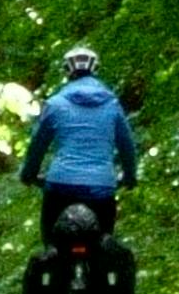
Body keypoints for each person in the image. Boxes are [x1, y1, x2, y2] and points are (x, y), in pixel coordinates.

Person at [17, 46, 138, 226]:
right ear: (95, 70)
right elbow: (127, 146)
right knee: (104, 236)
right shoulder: (112, 105)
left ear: (67, 72)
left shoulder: (55, 104)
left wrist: (29, 175)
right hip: (101, 185)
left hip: (61, 185)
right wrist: (129, 177)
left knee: (52, 237)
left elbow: (37, 146)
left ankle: (51, 243)